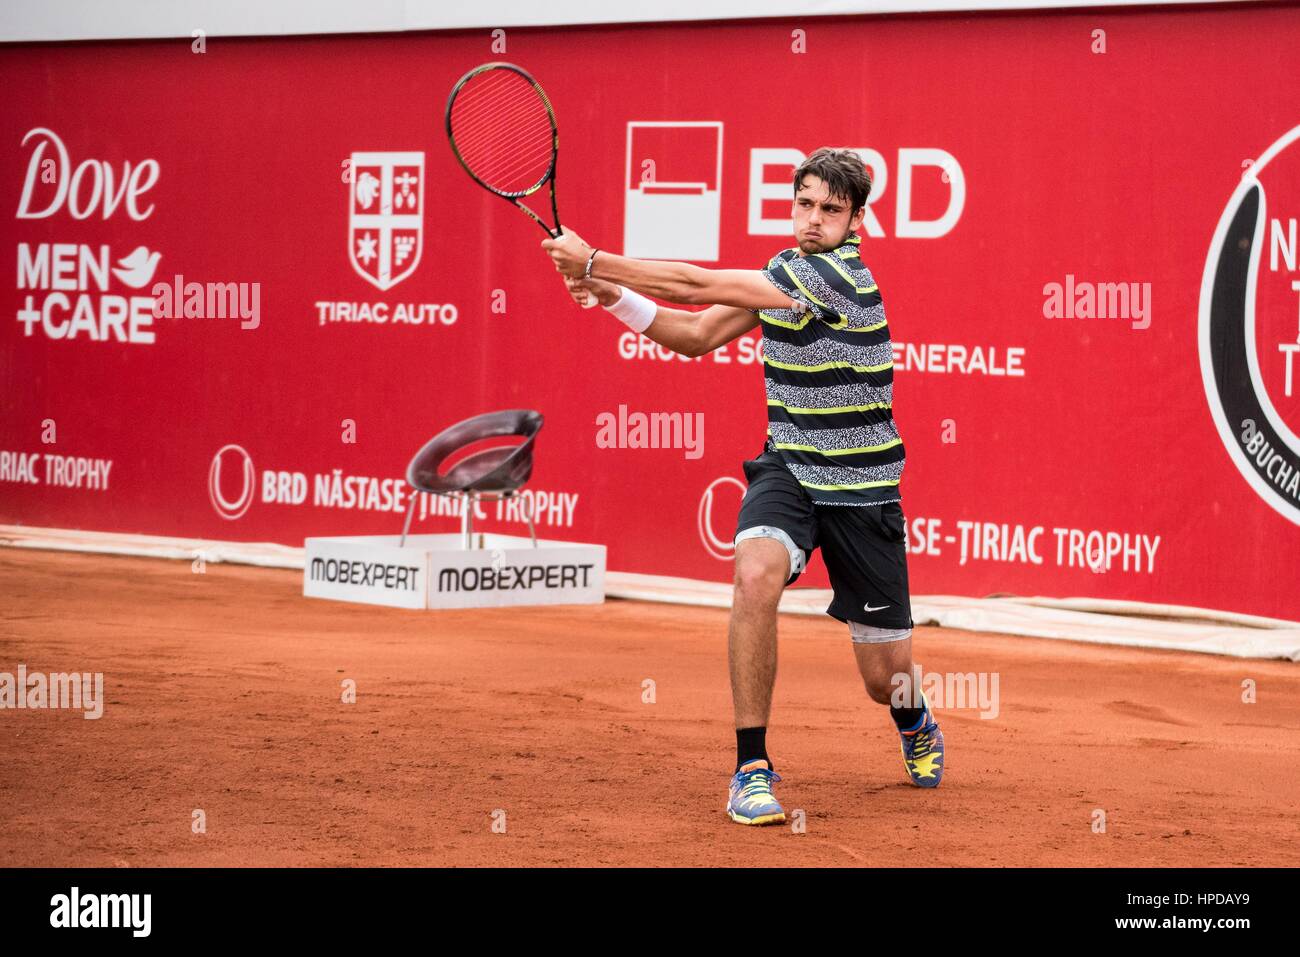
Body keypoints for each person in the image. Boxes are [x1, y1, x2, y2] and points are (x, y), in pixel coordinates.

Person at [542, 148, 943, 826]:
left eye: (831, 210)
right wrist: (611, 297)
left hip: (863, 488)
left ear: (856, 222)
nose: (813, 220)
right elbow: (695, 334)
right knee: (754, 572)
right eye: (805, 204)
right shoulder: (781, 279)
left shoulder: (832, 278)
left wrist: (593, 263)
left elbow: (695, 286)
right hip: (788, 466)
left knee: (884, 679)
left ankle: (913, 717)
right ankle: (751, 767)